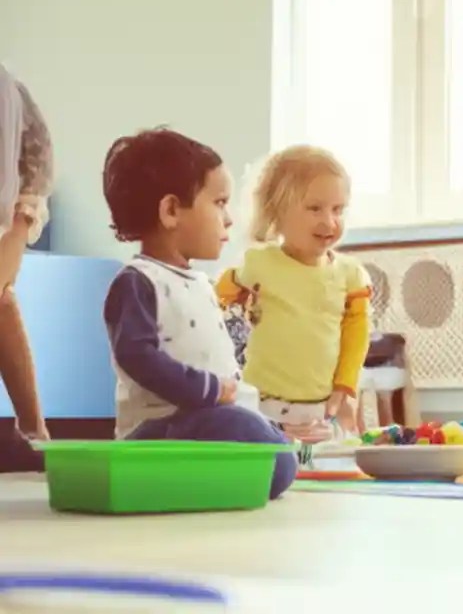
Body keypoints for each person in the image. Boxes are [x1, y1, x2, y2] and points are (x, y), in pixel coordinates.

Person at [101, 128, 296, 499]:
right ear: (171, 210)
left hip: (203, 419)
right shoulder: (138, 282)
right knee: (258, 443)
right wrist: (206, 390)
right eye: (220, 202)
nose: (229, 219)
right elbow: (136, 356)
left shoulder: (200, 282)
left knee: (273, 443)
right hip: (161, 429)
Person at [216, 145, 370, 444]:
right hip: (262, 405)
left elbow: (357, 334)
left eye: (338, 209)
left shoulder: (350, 275)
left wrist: (346, 387)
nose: (329, 221)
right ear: (278, 211)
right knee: (271, 474)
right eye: (315, 208)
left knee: (319, 480)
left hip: (321, 409)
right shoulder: (258, 264)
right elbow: (213, 301)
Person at [0, 64, 54, 473]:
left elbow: (36, 155)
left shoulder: (8, 92)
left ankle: (36, 435)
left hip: (9, 217)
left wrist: (18, 230)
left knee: (1, 298)